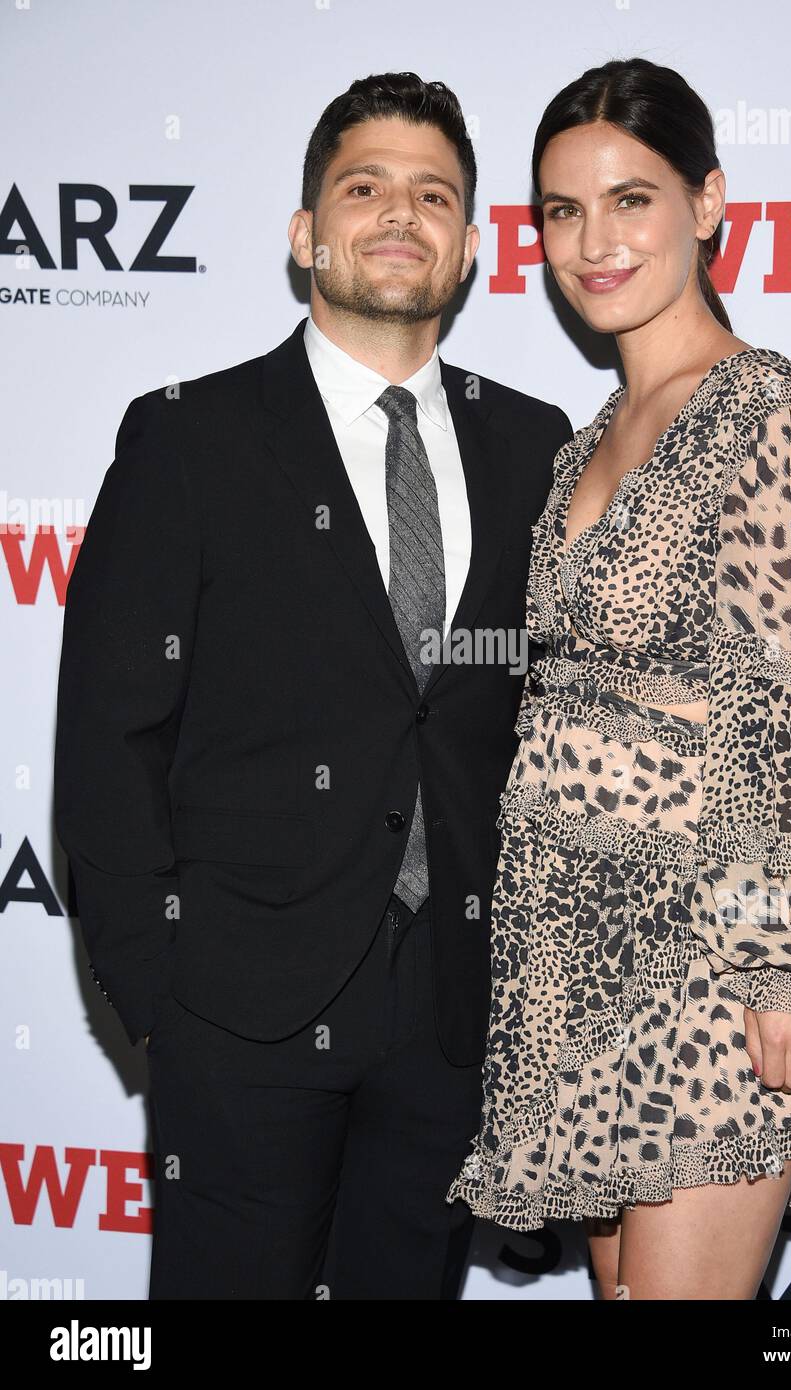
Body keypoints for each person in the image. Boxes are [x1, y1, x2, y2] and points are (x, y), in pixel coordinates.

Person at [53, 71, 572, 1300]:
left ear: (469, 247)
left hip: (455, 1014)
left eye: (434, 194)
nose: (401, 213)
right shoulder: (190, 436)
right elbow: (109, 737)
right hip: (237, 1008)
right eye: (365, 186)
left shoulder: (539, 443)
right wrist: (161, 995)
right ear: (306, 234)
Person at [446, 56, 791, 1300]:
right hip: (570, 949)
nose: (595, 242)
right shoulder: (589, 436)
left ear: (708, 204)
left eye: (631, 199)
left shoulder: (765, 408)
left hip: (706, 949)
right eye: (561, 210)